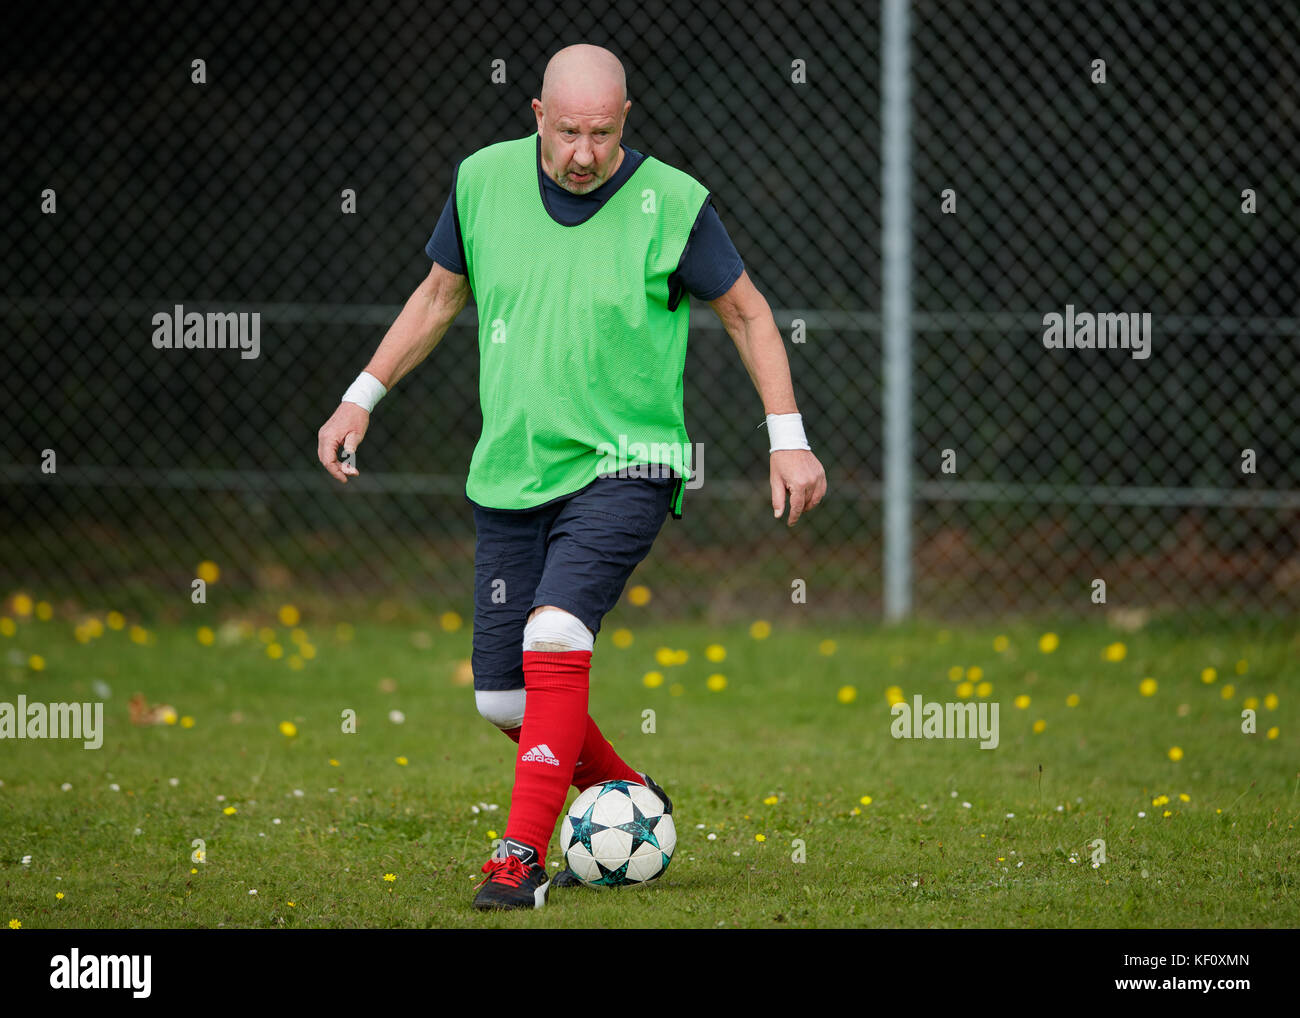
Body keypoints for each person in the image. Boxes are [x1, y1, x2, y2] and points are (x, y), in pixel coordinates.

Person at [316, 44, 826, 910]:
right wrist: (360, 396)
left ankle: (518, 858)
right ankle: (631, 797)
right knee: (500, 697)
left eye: (600, 133)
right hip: (513, 470)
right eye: (566, 133)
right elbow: (439, 296)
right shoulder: (481, 181)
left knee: (556, 630)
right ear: (536, 120)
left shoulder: (674, 204)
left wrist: (788, 437)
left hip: (628, 463)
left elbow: (748, 313)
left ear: (625, 121)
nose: (583, 154)